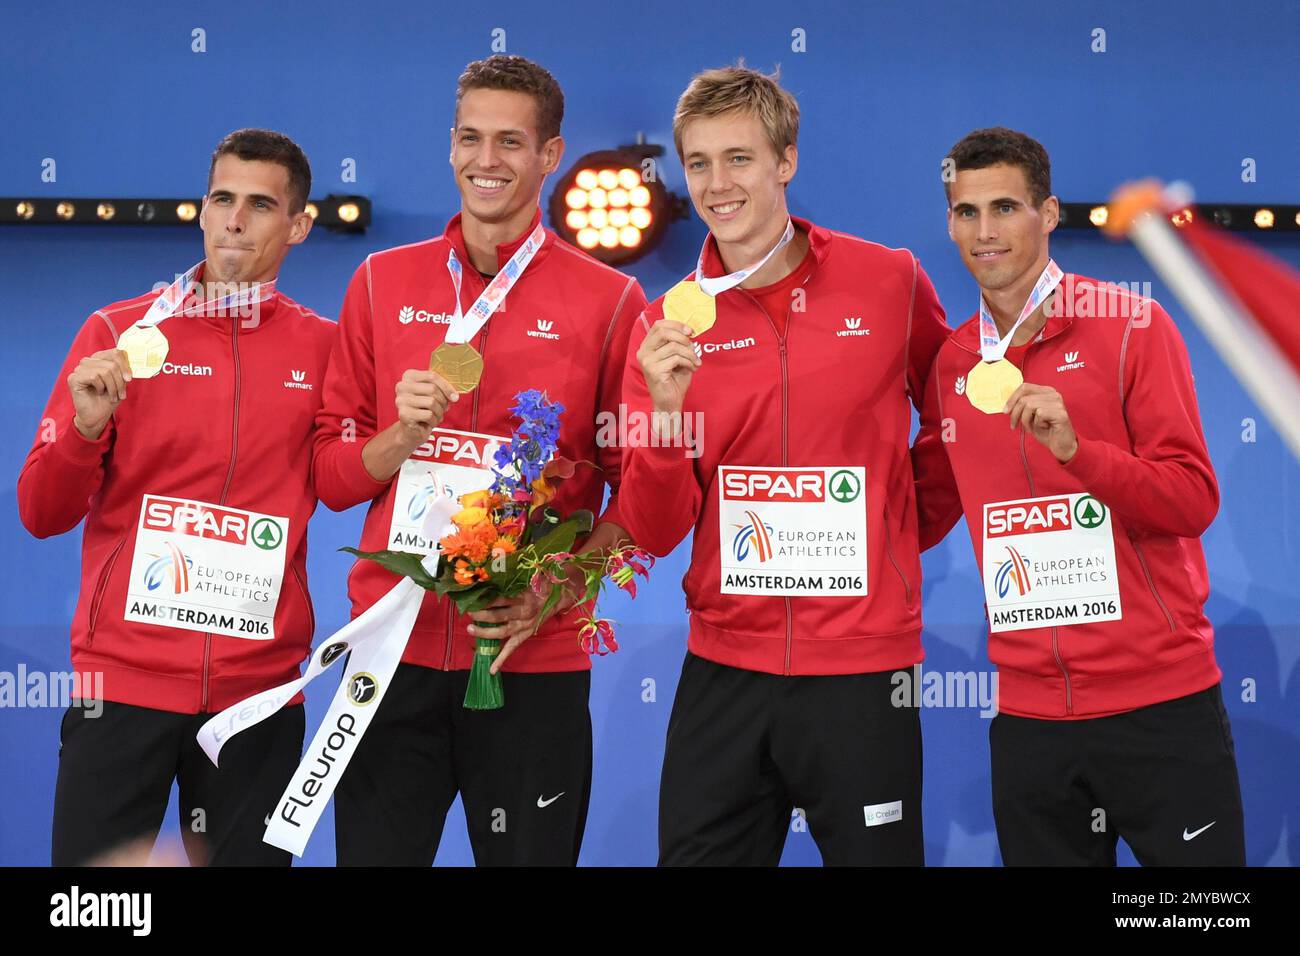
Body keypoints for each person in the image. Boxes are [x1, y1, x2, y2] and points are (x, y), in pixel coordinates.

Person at [314, 54, 647, 866]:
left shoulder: (610, 302)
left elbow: (641, 504)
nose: (486, 160)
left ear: (550, 155)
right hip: (388, 655)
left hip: (530, 656)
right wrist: (398, 436)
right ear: (450, 145)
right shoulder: (378, 280)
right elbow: (329, 478)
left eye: (509, 141)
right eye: (470, 138)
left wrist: (554, 588)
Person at [619, 65, 949, 866]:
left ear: (786, 161)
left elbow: (949, 430)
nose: (716, 184)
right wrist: (666, 417)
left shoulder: (890, 280)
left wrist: (893, 537)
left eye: (738, 158)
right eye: (697, 163)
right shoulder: (665, 325)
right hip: (725, 669)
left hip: (863, 670)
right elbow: (656, 531)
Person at [913, 126, 1245, 865]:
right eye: (967, 213)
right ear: (949, 222)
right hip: (1030, 719)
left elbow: (1192, 500)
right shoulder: (952, 364)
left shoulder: (1133, 326)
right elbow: (920, 513)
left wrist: (1078, 453)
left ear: (1049, 212)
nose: (986, 231)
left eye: (1005, 208)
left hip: (1160, 707)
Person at [17, 128, 333, 866]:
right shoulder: (117, 331)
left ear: (298, 226)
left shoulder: (324, 348)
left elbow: (349, 478)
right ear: (201, 209)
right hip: (123, 687)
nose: (234, 220)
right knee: (97, 914)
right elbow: (39, 511)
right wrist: (84, 432)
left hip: (259, 698)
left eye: (260, 205)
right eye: (222, 198)